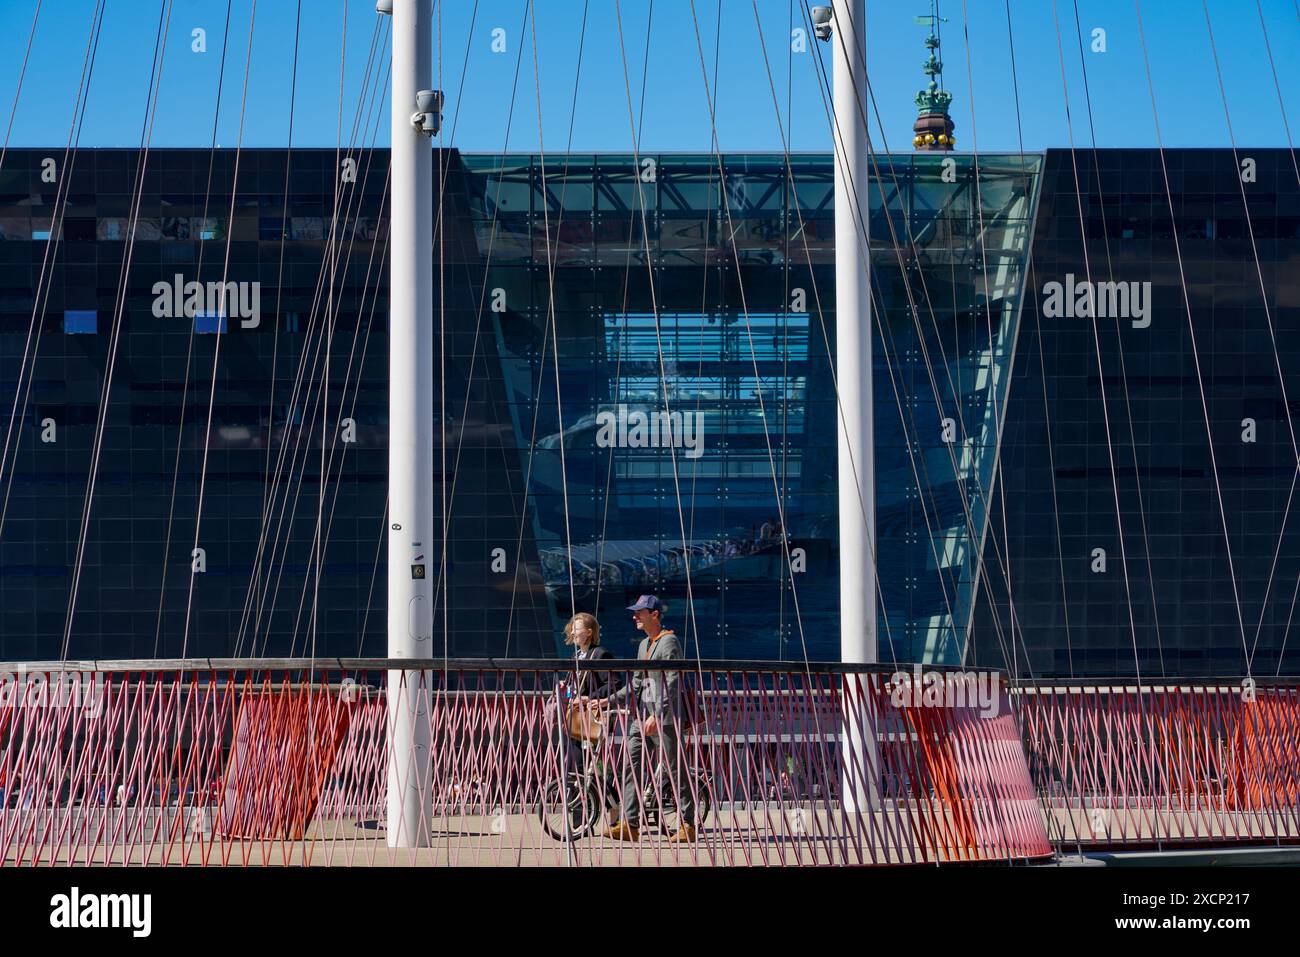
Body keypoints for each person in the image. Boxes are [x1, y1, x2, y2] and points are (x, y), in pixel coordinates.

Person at [596, 595, 696, 844]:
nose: (635, 616)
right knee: (631, 766)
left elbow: (672, 683)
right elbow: (637, 683)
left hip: (664, 719)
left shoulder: (669, 642)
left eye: (640, 612)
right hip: (640, 717)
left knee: (675, 771)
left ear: (654, 614)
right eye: (635, 612)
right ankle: (630, 824)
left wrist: (657, 714)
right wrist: (607, 700)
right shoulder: (643, 645)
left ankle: (688, 824)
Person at [544, 613, 618, 770]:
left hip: (592, 719)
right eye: (571, 629)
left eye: (576, 629)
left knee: (579, 766)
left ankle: (592, 793)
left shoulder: (600, 654)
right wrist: (568, 690)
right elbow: (574, 690)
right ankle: (590, 793)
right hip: (577, 719)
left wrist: (587, 697)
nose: (572, 633)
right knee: (573, 766)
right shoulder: (576, 655)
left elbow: (614, 685)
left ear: (589, 632)